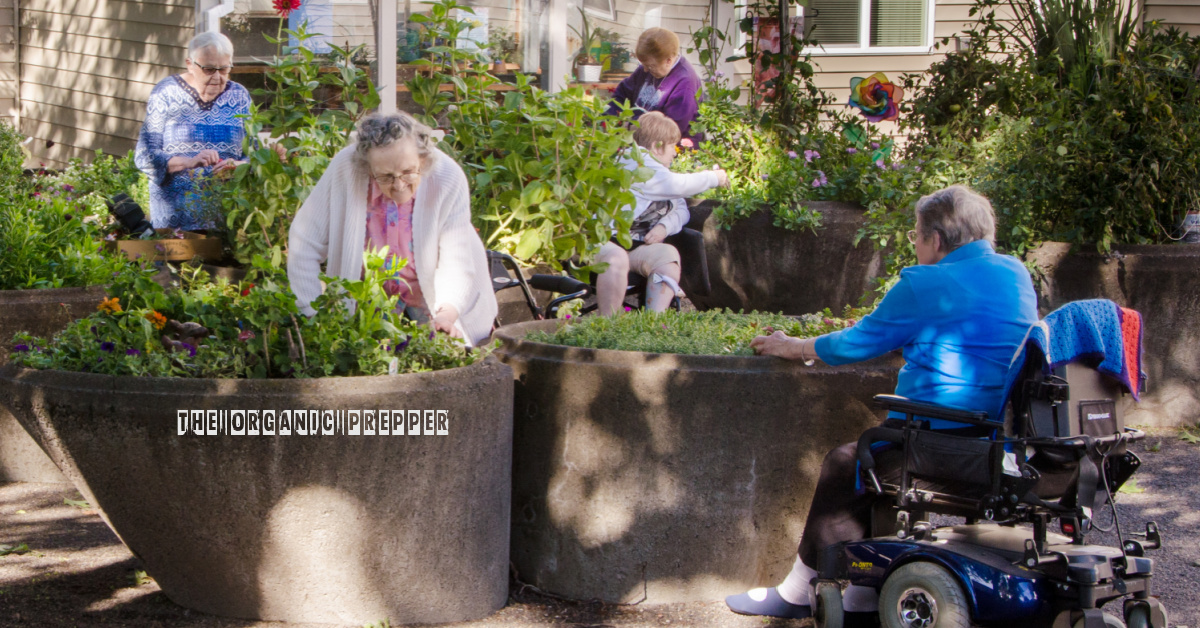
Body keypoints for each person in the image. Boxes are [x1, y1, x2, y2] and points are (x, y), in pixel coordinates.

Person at [725, 185, 1039, 622]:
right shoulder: (1015, 274)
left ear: (937, 239)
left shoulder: (925, 283)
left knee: (850, 464)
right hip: (991, 438)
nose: (914, 244)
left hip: (939, 435)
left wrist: (792, 345)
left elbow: (859, 341)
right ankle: (861, 597)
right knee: (878, 461)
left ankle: (799, 589)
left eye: (915, 235)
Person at [287, 112, 497, 346]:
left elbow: (456, 261)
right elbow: (303, 242)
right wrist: (314, 313)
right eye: (386, 176)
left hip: (440, 306)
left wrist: (446, 315)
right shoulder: (346, 169)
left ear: (423, 160)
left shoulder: (447, 176)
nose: (398, 185)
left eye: (408, 172)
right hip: (368, 312)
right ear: (367, 168)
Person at [596, 112, 728, 315]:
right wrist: (714, 177)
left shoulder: (658, 170)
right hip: (601, 243)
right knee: (618, 257)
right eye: (671, 146)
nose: (675, 152)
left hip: (633, 246)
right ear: (657, 147)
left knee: (667, 256)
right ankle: (606, 325)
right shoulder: (635, 164)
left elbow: (681, 208)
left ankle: (653, 322)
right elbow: (679, 185)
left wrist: (664, 226)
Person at [135, 32, 252, 231]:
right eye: (208, 69)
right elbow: (145, 156)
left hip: (228, 222)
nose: (217, 77)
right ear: (190, 64)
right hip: (176, 225)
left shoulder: (239, 96)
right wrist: (189, 162)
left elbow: (255, 155)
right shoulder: (166, 93)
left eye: (224, 69)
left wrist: (237, 165)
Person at [604, 28, 703, 142]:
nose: (645, 70)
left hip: (667, 149)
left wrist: (631, 126)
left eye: (650, 66)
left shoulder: (685, 83)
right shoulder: (648, 68)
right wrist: (609, 119)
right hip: (638, 139)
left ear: (668, 61)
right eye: (643, 65)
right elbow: (622, 94)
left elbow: (671, 130)